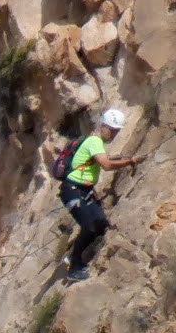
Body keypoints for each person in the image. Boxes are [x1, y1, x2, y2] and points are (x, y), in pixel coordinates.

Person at [52, 107, 140, 284]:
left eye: (116, 131)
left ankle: (75, 254)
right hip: (73, 190)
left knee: (101, 224)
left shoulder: (94, 141)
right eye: (112, 130)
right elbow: (106, 165)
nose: (113, 134)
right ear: (103, 126)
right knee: (89, 226)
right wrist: (128, 162)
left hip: (83, 190)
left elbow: (102, 160)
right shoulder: (94, 141)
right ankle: (74, 268)